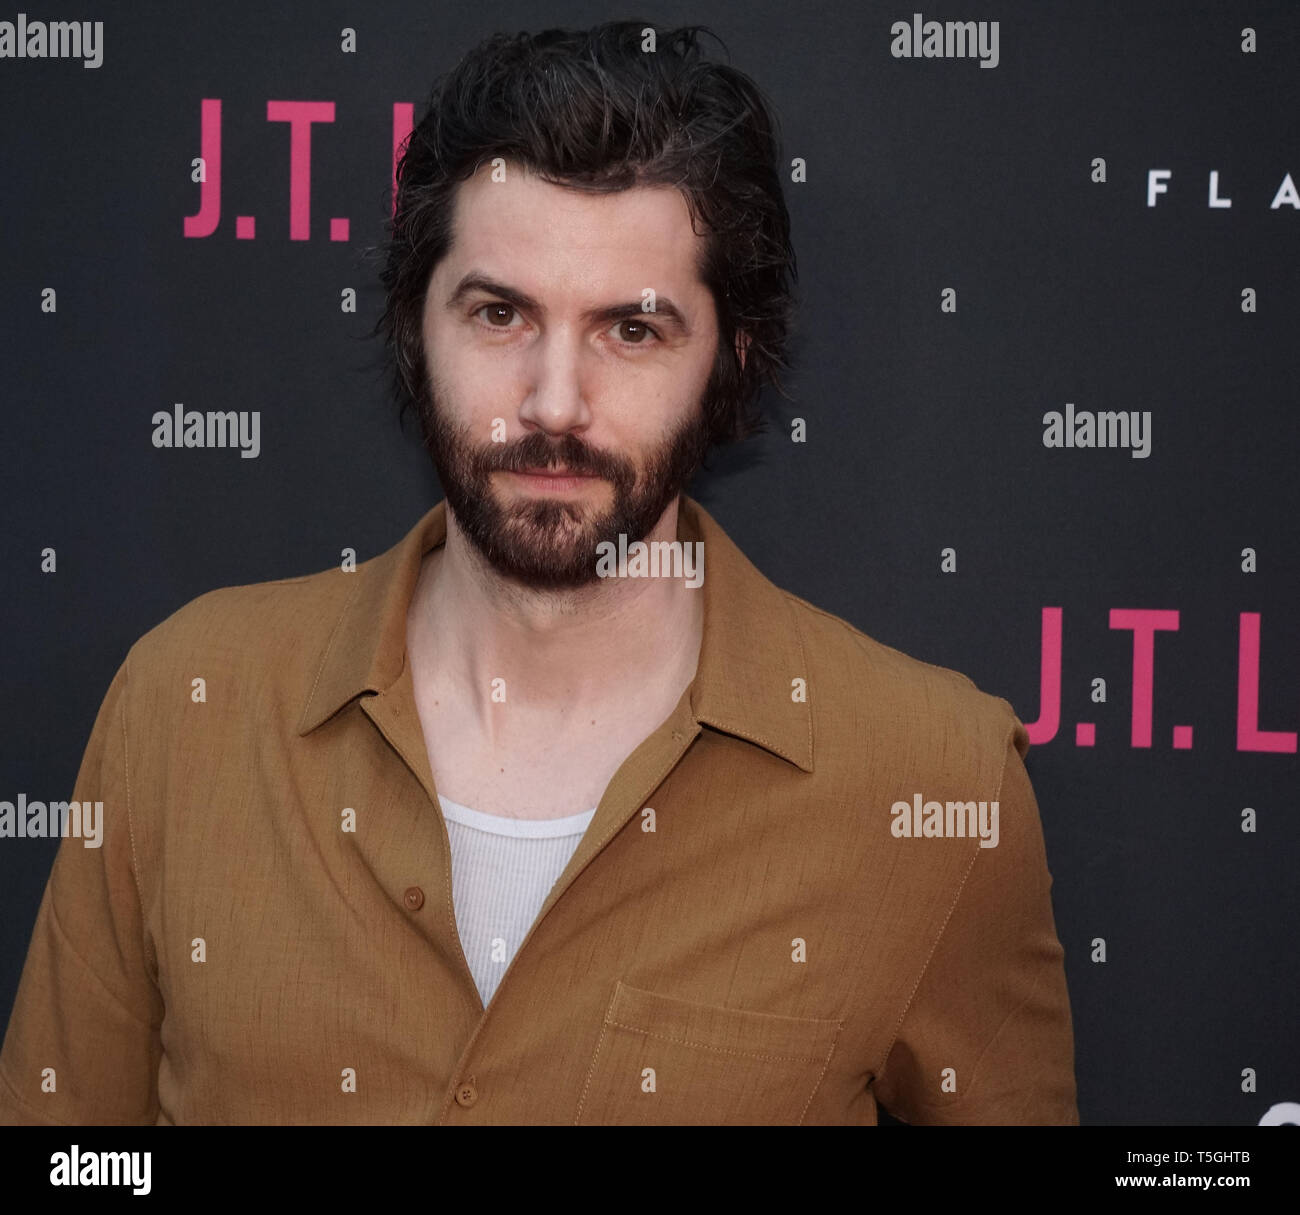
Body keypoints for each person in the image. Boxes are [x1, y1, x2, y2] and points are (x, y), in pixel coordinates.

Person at [0, 20, 1077, 1125]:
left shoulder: (930, 780)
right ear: (415, 331)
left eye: (632, 330)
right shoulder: (186, 704)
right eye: (500, 313)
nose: (554, 401)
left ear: (732, 359)